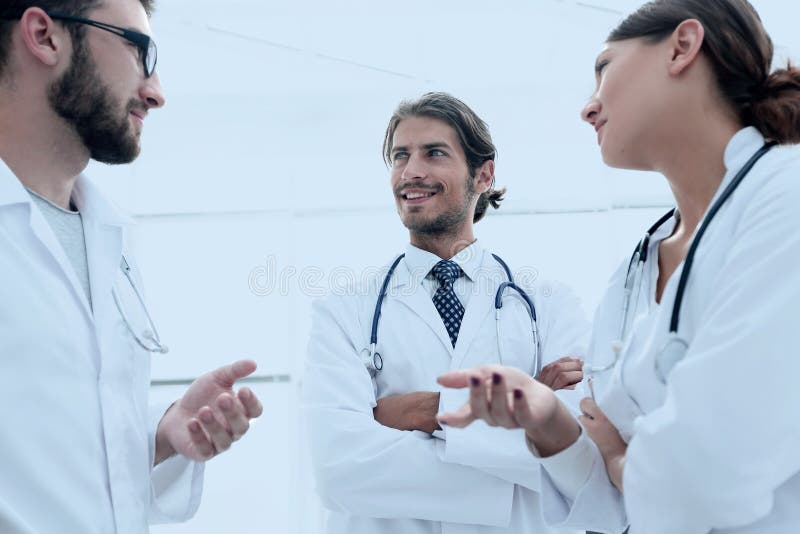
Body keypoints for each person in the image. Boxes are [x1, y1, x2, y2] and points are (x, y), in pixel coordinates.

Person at [437, 1, 800, 533]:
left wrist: (619, 457)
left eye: (604, 69)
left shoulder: (787, 196)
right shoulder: (635, 270)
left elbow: (705, 476)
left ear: (681, 47)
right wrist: (547, 417)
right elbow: (615, 505)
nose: (588, 108)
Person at [0, 1, 263, 532]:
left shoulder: (106, 236)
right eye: (138, 50)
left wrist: (161, 434)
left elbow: (46, 447)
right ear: (45, 36)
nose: (156, 91)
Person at [303, 92, 592, 534]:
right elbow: (339, 470)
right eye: (400, 156)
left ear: (484, 175)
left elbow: (581, 458)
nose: (411, 171)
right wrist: (524, 411)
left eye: (434, 153)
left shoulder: (550, 305)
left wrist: (413, 413)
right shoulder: (342, 313)